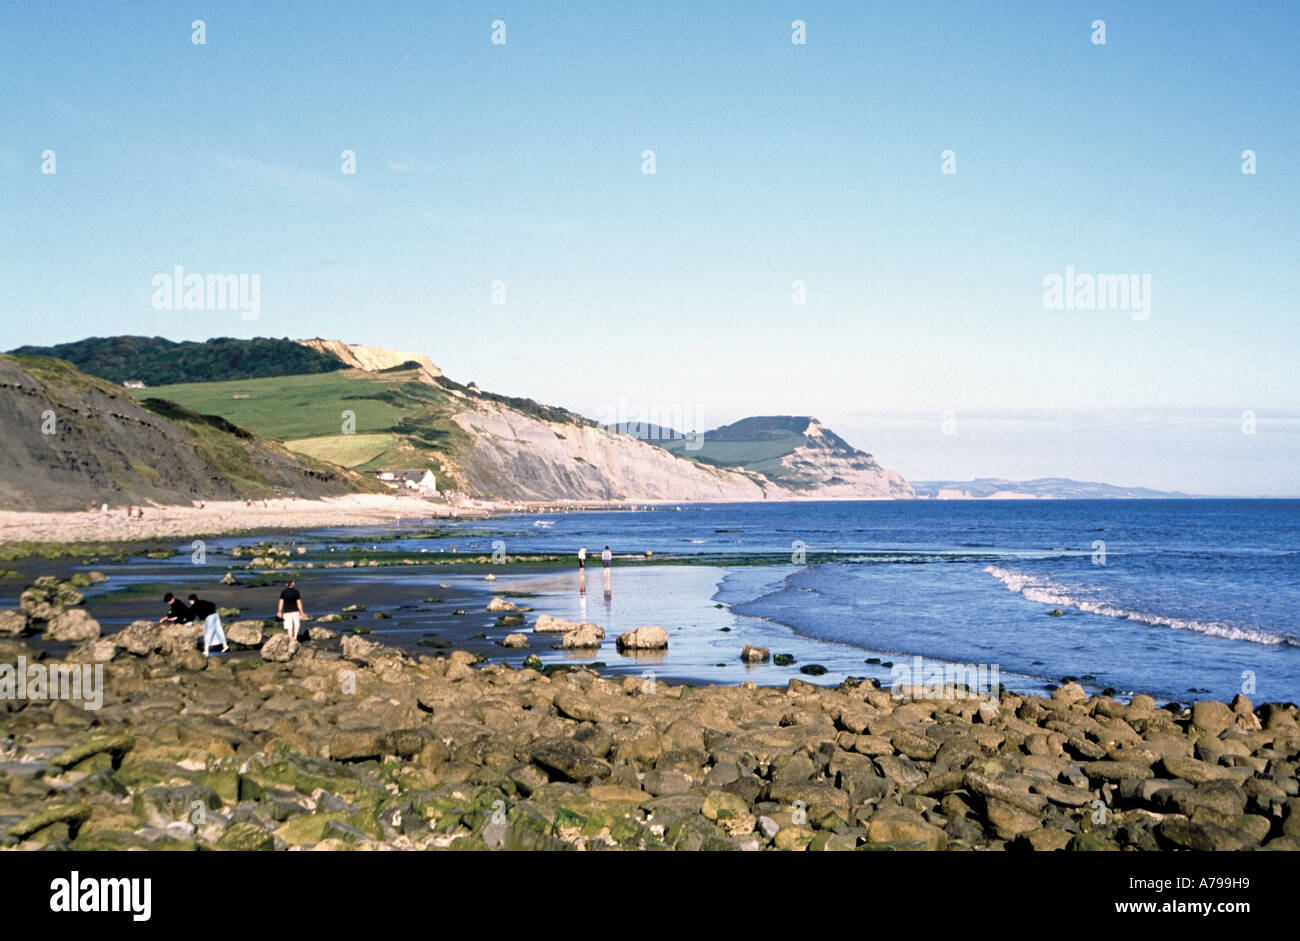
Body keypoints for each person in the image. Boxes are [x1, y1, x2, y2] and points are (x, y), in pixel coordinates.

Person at [278, 578, 305, 646]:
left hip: (287, 612)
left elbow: (281, 602)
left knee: (289, 627)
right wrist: (301, 612)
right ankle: (295, 637)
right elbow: (299, 602)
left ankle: (290, 639)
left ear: (287, 584)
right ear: (293, 584)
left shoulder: (283, 592)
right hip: (295, 611)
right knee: (296, 625)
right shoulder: (296, 592)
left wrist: (279, 611)